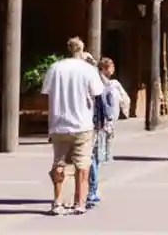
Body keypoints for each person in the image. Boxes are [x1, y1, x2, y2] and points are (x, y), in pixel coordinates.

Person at [42, 37, 104, 216]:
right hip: (82, 122)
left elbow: (46, 91)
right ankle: (80, 202)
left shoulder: (55, 68)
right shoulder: (88, 69)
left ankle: (58, 202)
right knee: (82, 165)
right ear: (82, 49)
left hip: (59, 122)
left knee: (59, 163)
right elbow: (98, 92)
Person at [86, 55, 119, 209]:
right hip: (99, 124)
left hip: (100, 123)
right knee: (95, 157)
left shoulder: (105, 83)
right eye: (111, 66)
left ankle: (93, 188)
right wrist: (109, 119)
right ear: (105, 68)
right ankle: (92, 189)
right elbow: (106, 106)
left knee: (97, 157)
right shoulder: (103, 84)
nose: (113, 69)